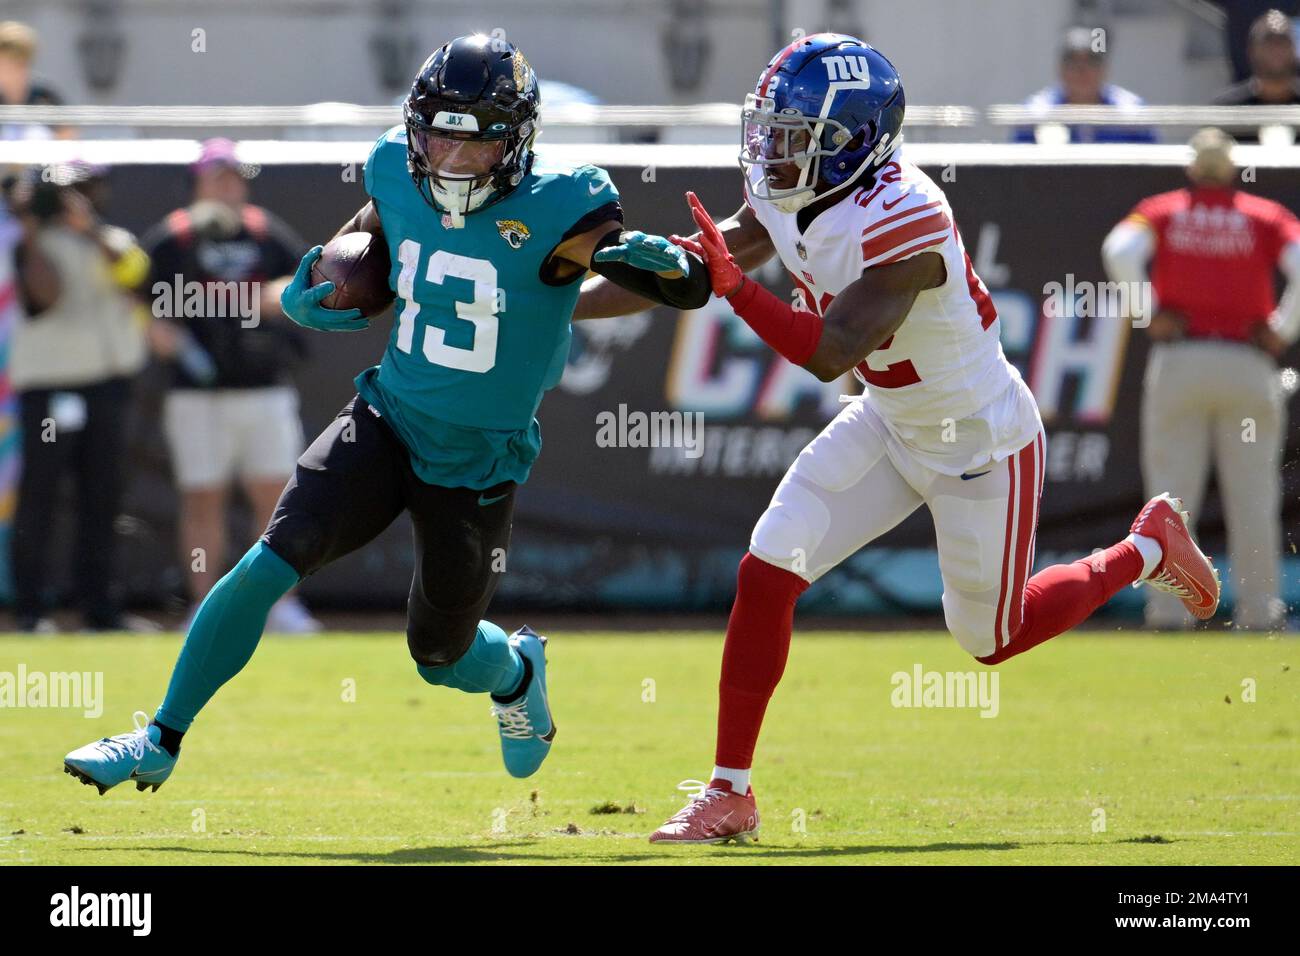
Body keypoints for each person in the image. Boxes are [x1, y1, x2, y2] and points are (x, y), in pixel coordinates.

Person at [578, 33, 1220, 844]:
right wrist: (563, 303)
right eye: (769, 128)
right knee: (769, 563)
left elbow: (829, 350)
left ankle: (1148, 550)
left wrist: (735, 288)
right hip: (888, 419)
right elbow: (701, 265)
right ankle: (729, 792)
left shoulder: (910, 214)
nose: (770, 150)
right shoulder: (786, 190)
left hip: (980, 442)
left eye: (793, 134)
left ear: (853, 141)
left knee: (992, 638)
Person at [62, 35, 710, 795]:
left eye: (475, 142)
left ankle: (514, 673)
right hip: (387, 416)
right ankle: (158, 737)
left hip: (479, 457)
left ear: (518, 140)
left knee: (441, 656)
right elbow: (364, 238)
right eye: (437, 135)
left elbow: (651, 274)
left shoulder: (563, 200)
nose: (451, 159)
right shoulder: (395, 171)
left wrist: (674, 271)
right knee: (268, 561)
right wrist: (321, 283)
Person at [1102, 128, 1300, 631]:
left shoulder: (1164, 209)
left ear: (1192, 168)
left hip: (1182, 360)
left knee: (1168, 498)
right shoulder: (1264, 215)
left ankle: (1168, 612)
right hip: (1248, 364)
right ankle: (1261, 613)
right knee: (1254, 497)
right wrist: (1282, 329)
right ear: (1232, 168)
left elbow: (1120, 250)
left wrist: (1149, 313)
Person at [142, 139, 320, 634]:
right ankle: (205, 605)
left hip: (263, 387)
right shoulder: (172, 238)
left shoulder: (265, 233)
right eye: (218, 176)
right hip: (196, 395)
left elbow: (305, 282)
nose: (229, 186)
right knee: (202, 497)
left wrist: (273, 296)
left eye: (235, 176)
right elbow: (143, 303)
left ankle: (279, 604)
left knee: (276, 496)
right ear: (198, 181)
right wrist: (160, 330)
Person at [8, 163, 150, 632]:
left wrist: (88, 229)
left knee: (104, 496)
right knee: (41, 494)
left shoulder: (111, 237)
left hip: (107, 384)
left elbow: (135, 272)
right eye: (64, 193)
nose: (74, 199)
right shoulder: (27, 243)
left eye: (81, 190)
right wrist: (31, 227)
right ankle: (30, 610)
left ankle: (100, 610)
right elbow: (44, 296)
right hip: (53, 385)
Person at [1012, 26, 1156, 144]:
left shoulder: (1130, 110)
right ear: (1060, 69)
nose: (1082, 71)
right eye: (1073, 63)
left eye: (1091, 62)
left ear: (1104, 69)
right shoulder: (1037, 111)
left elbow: (1153, 169)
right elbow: (1017, 171)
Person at [1213, 9, 1300, 144]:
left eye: (1283, 41)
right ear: (1252, 50)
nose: (1276, 49)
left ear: (1294, 49)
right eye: (1268, 40)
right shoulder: (1227, 110)